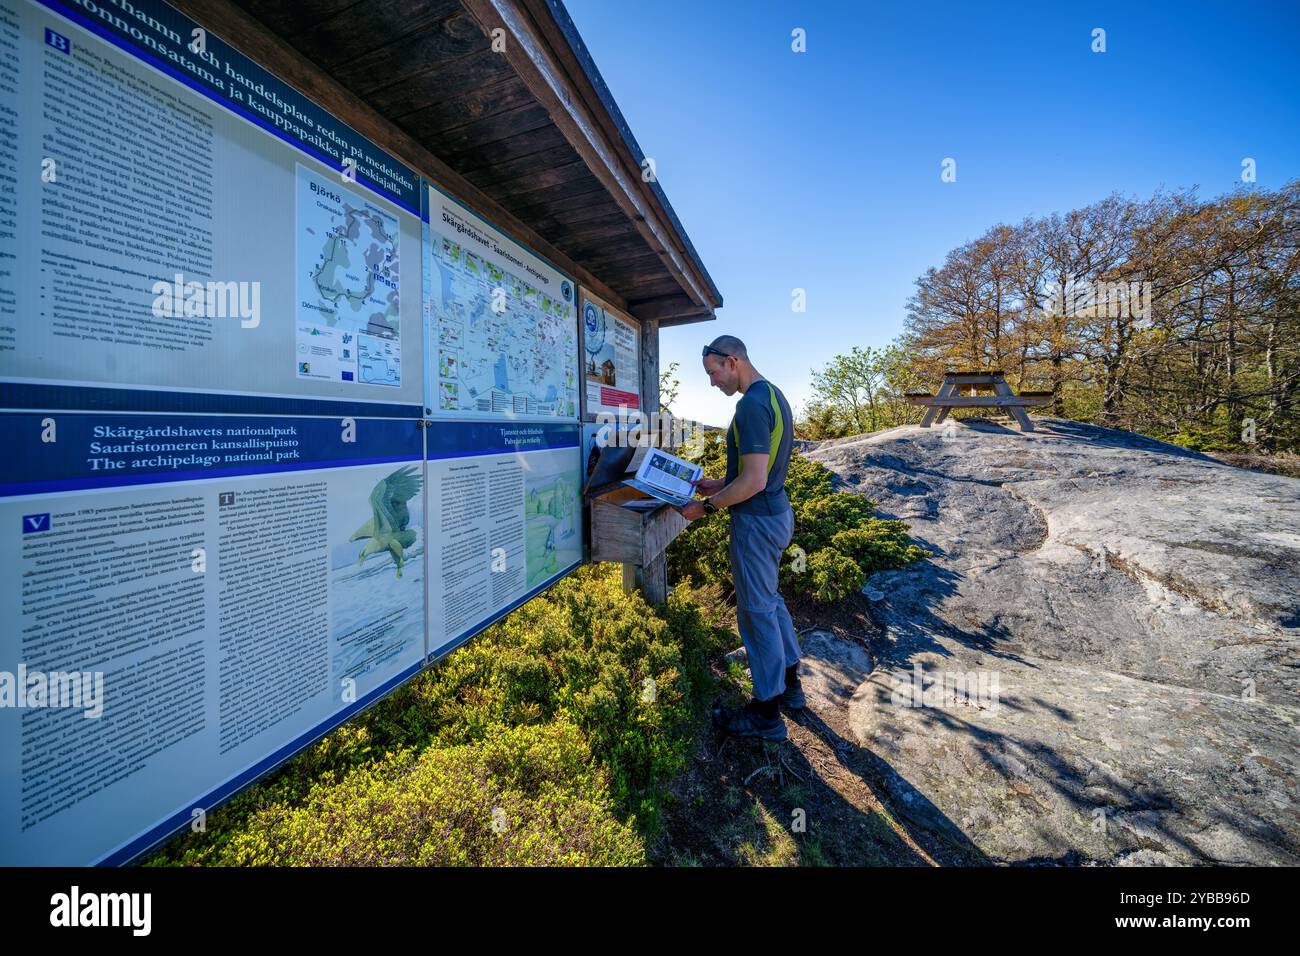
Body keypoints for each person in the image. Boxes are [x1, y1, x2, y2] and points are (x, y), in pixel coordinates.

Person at [675, 335, 803, 741]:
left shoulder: (749, 405)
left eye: (713, 372)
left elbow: (753, 480)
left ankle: (766, 713)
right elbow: (756, 474)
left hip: (756, 523)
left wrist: (706, 508)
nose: (712, 382)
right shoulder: (774, 396)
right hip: (778, 513)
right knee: (771, 599)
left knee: (755, 611)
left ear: (733, 361)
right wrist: (716, 484)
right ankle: (791, 683)